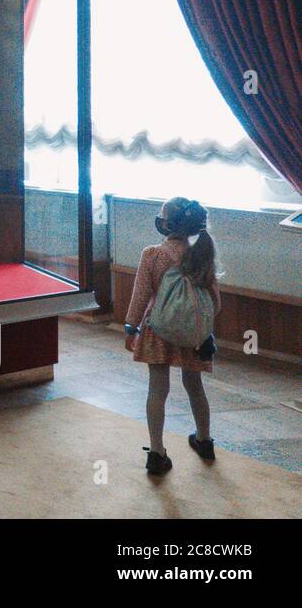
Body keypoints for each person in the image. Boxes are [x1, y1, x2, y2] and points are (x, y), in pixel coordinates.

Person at [124, 197, 221, 476]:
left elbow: (141, 296)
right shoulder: (201, 254)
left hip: (157, 330)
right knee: (194, 385)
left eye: (162, 215)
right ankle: (204, 440)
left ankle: (157, 453)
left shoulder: (153, 254)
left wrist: (131, 328)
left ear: (167, 224)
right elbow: (215, 302)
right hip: (192, 335)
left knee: (157, 389)